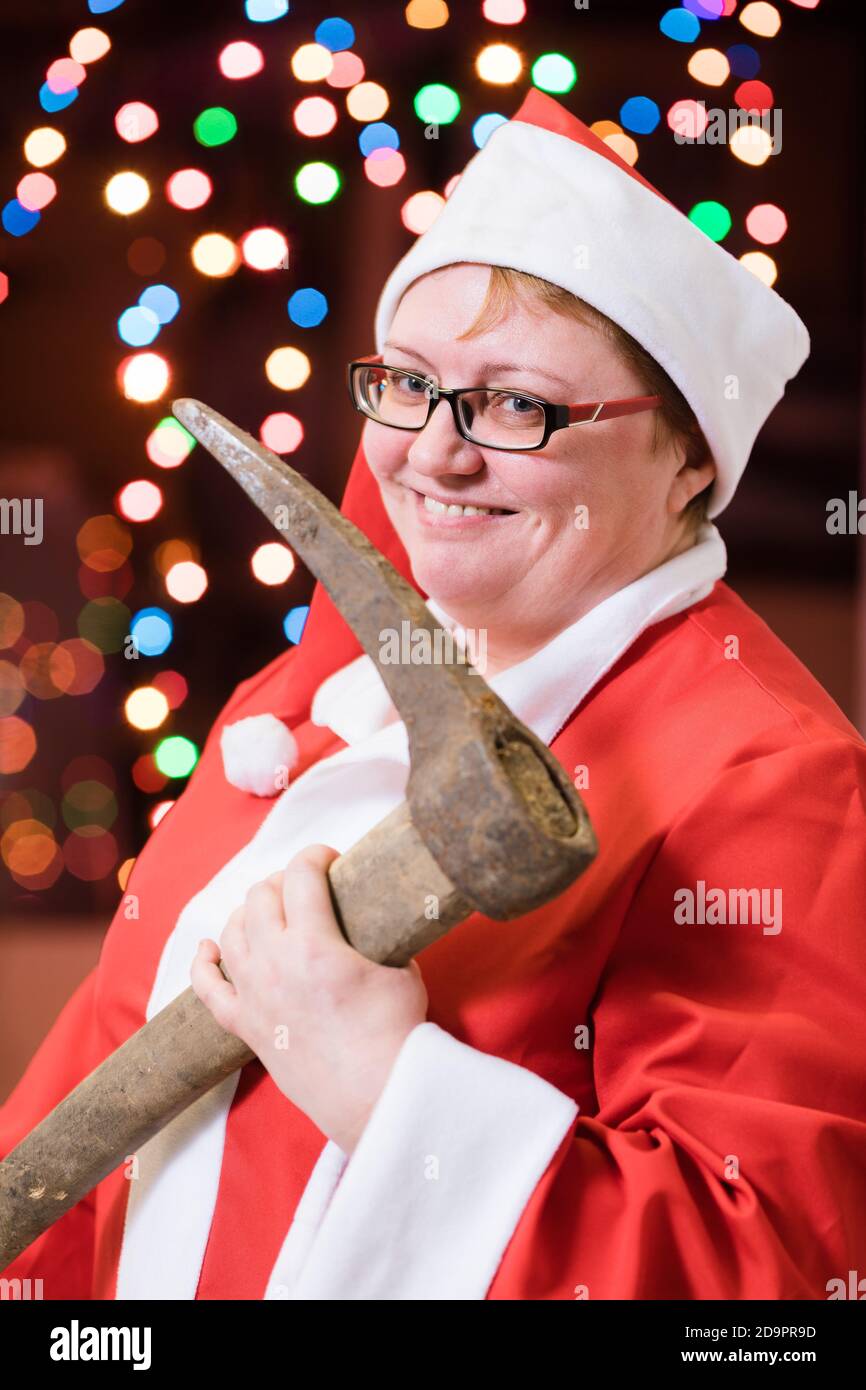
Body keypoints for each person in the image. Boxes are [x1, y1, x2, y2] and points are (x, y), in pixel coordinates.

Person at [2, 87, 864, 1302]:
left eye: (516, 403)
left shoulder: (771, 783)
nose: (434, 452)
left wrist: (381, 1079)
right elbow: (94, 1094)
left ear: (685, 459)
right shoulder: (301, 711)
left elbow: (761, 1285)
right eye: (406, 383)